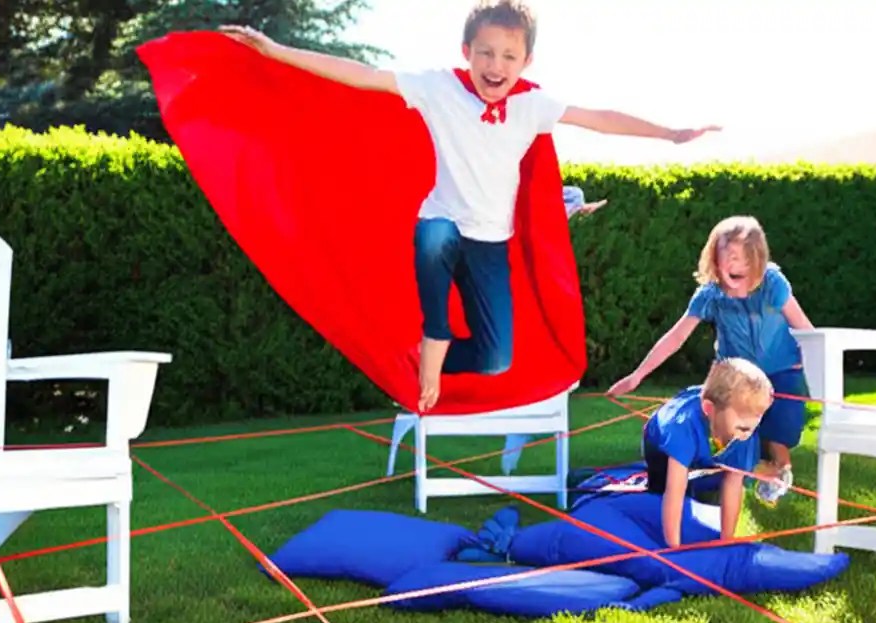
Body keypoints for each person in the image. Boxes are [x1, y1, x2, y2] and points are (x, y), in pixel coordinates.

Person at [220, 0, 720, 413]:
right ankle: (434, 337)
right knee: (437, 236)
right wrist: (275, 51)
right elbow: (362, 75)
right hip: (439, 225)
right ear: (467, 52)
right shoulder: (439, 88)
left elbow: (600, 119)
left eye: (508, 56)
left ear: (524, 63)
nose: (495, 66)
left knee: (494, 356)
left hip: (489, 242)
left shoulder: (532, 106)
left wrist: (670, 134)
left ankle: (427, 356)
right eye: (485, 53)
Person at [609, 215, 814, 497]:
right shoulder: (710, 295)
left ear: (757, 261)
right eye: (726, 257)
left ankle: (778, 472)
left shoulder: (773, 285)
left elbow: (805, 328)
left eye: (743, 259)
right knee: (732, 431)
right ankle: (735, 471)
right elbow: (676, 336)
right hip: (736, 377)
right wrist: (637, 376)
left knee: (780, 434)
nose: (734, 265)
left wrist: (816, 368)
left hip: (782, 370)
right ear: (714, 261)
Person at [643, 358, 773, 547]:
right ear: (709, 410)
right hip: (657, 444)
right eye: (743, 428)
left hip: (706, 433)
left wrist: (726, 541)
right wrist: (674, 548)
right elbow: (674, 492)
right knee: (663, 489)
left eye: (755, 424)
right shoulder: (682, 427)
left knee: (709, 488)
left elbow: (734, 485)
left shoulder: (745, 432)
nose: (748, 434)